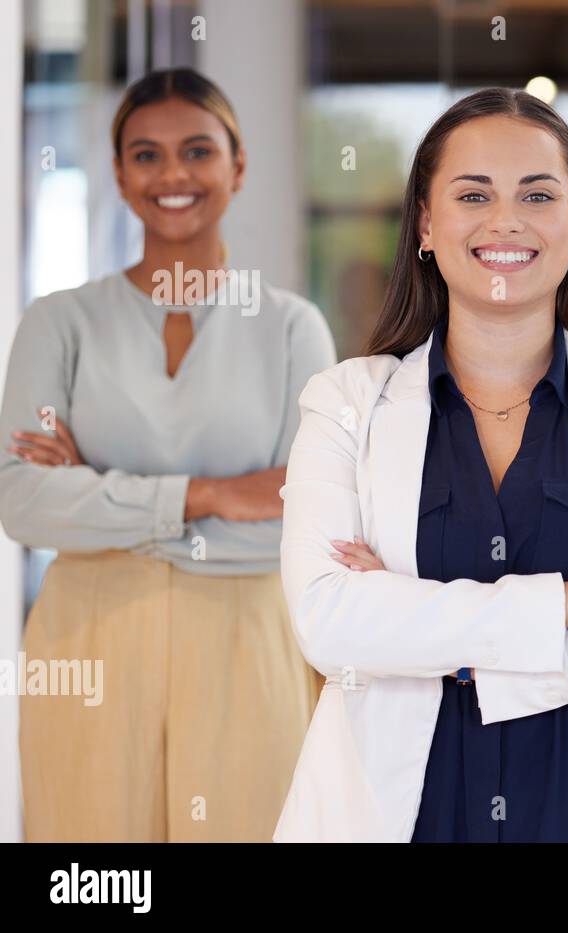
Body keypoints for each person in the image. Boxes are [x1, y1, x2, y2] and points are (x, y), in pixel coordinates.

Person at [273, 87, 568, 843]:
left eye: (538, 194)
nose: (506, 220)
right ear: (426, 222)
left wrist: (435, 640)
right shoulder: (346, 402)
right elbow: (329, 622)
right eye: (473, 194)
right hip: (401, 816)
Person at [0, 67, 336, 841]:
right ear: (118, 173)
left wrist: (94, 492)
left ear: (237, 165)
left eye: (197, 150)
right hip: (91, 640)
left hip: (249, 642)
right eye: (146, 155)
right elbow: (21, 501)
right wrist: (210, 494)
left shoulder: (292, 328)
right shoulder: (60, 323)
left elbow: (304, 513)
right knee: (99, 879)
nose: (173, 174)